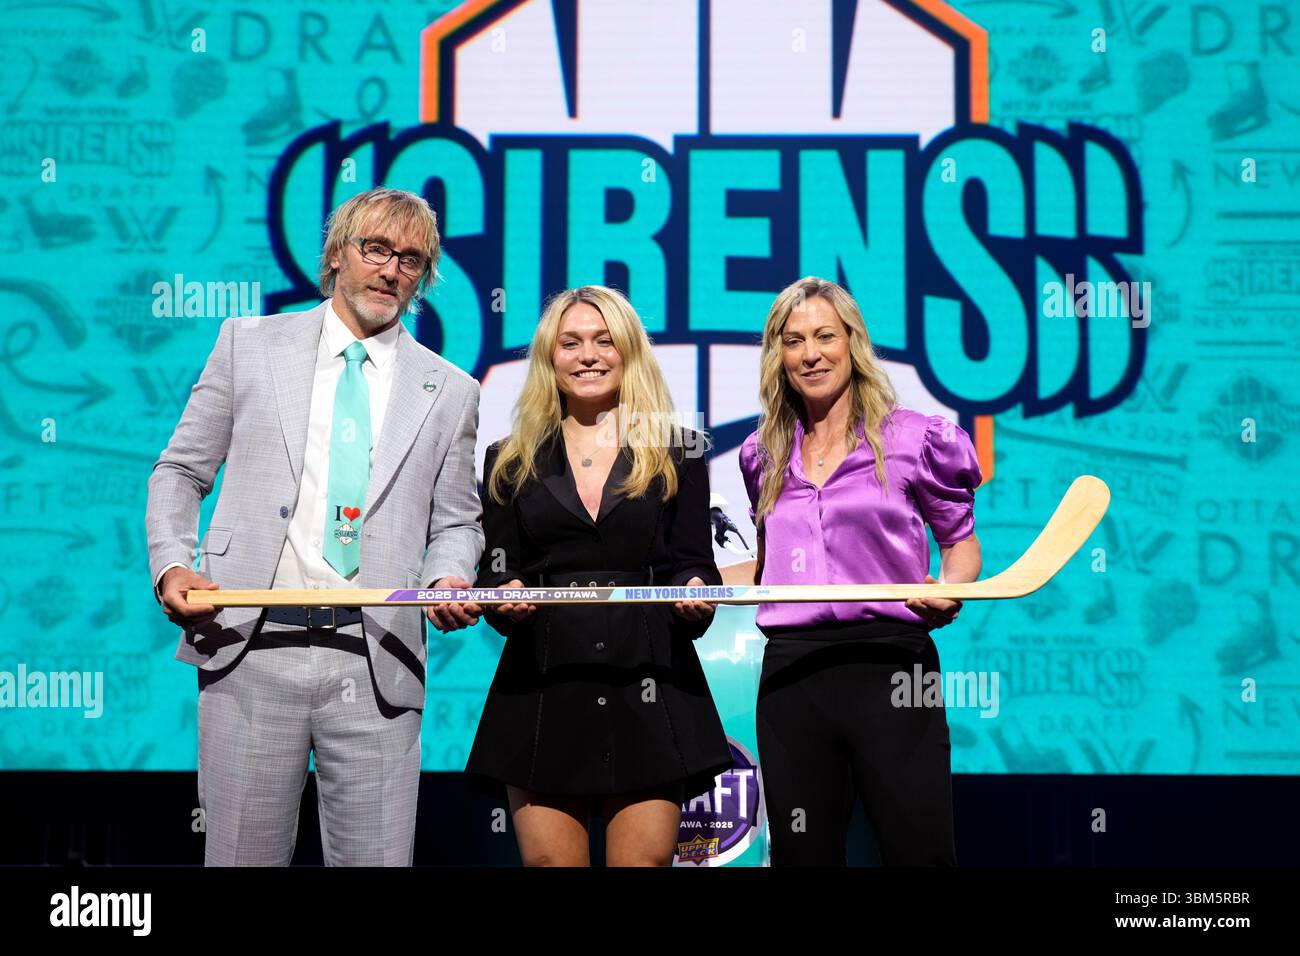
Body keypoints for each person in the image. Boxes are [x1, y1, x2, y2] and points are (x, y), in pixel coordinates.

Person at [145, 187, 485, 866]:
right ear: (337, 255)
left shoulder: (450, 390)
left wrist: (449, 573)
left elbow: (456, 521)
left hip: (377, 659)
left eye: (412, 260)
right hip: (250, 644)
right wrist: (173, 563)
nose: (391, 270)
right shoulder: (249, 345)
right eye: (376, 249)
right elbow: (179, 472)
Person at [467, 285, 732, 867]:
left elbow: (693, 561)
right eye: (570, 343)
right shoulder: (506, 459)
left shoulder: (680, 451)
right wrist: (502, 594)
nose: (588, 355)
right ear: (549, 358)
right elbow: (497, 568)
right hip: (542, 680)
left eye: (603, 340)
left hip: (650, 677)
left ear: (629, 352)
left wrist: (694, 591)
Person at [735, 276, 982, 866]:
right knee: (802, 860)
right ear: (779, 356)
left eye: (825, 335)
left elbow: (961, 546)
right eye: (793, 341)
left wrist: (951, 591)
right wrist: (687, 580)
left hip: (893, 668)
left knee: (919, 854)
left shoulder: (918, 440)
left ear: (853, 342)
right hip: (793, 675)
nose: (811, 353)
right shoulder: (760, 454)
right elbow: (771, 568)